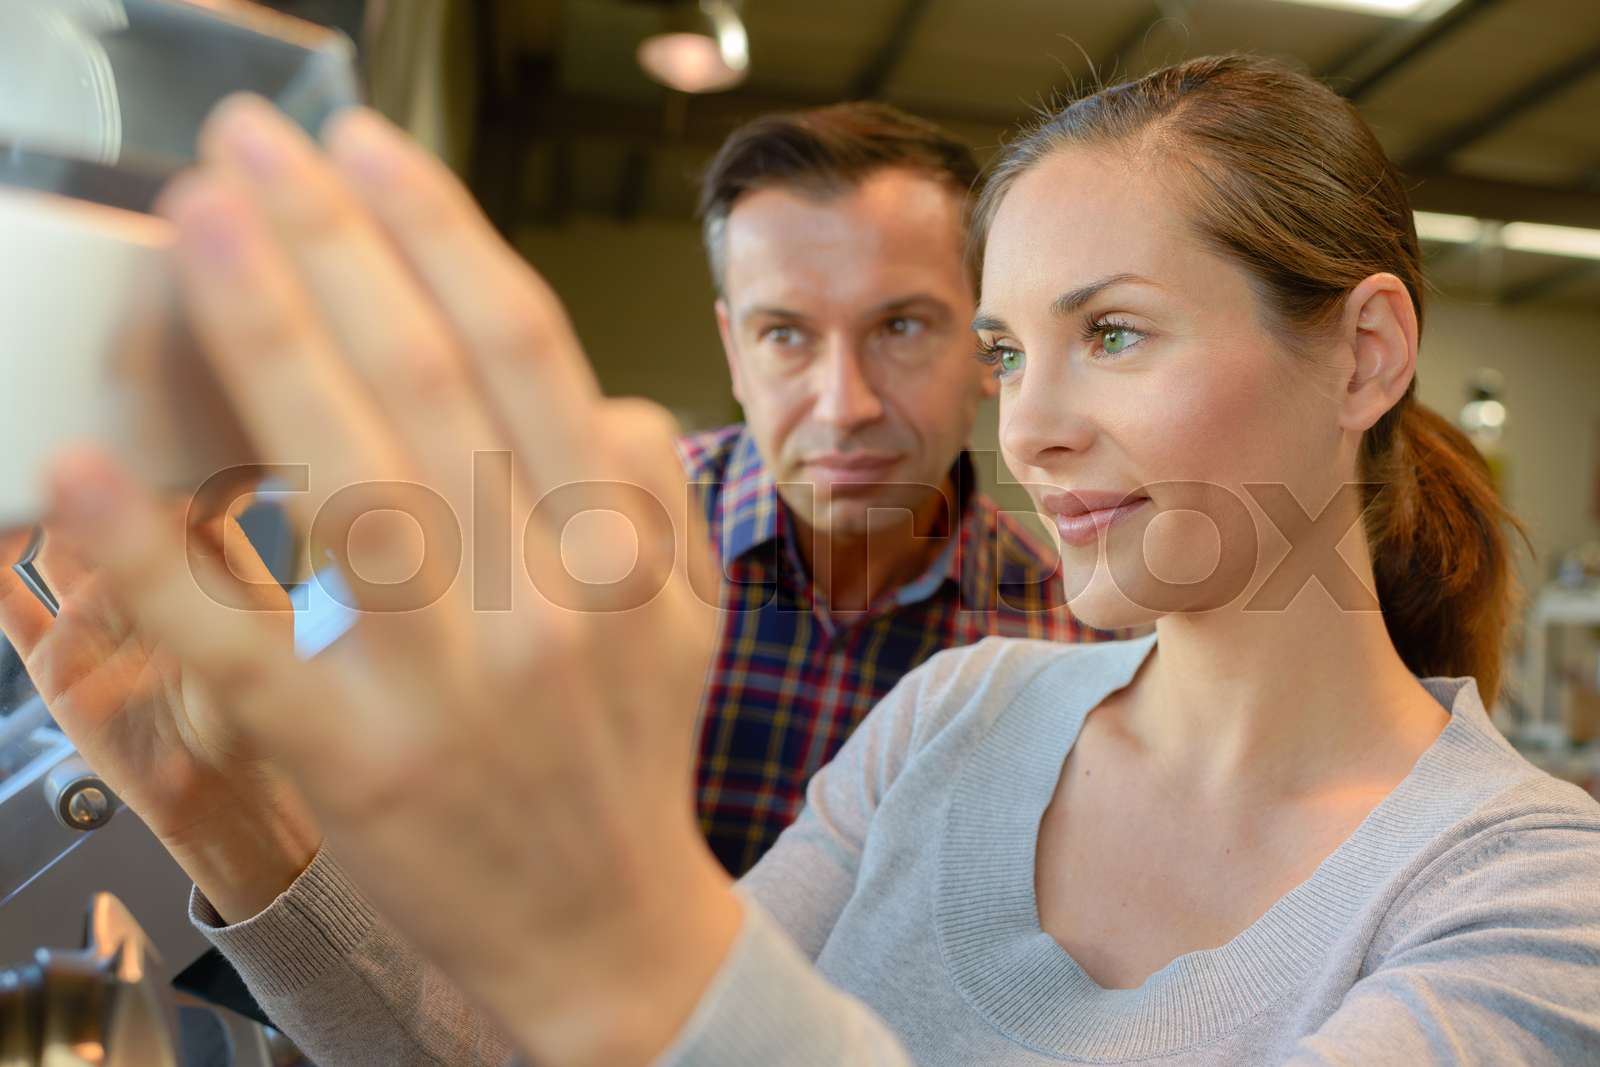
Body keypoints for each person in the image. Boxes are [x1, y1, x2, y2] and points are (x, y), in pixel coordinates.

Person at [6, 52, 1600, 1067]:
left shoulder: (1529, 891)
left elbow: (653, 995)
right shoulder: (963, 711)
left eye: (1112, 332)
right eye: (1009, 350)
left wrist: (620, 902)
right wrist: (235, 814)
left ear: (1366, 353)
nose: (1031, 428)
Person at [686, 103, 1104, 874]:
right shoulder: (577, 562)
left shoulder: (1074, 661)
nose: (845, 404)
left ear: (992, 347)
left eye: (900, 327)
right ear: (735, 353)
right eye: (784, 334)